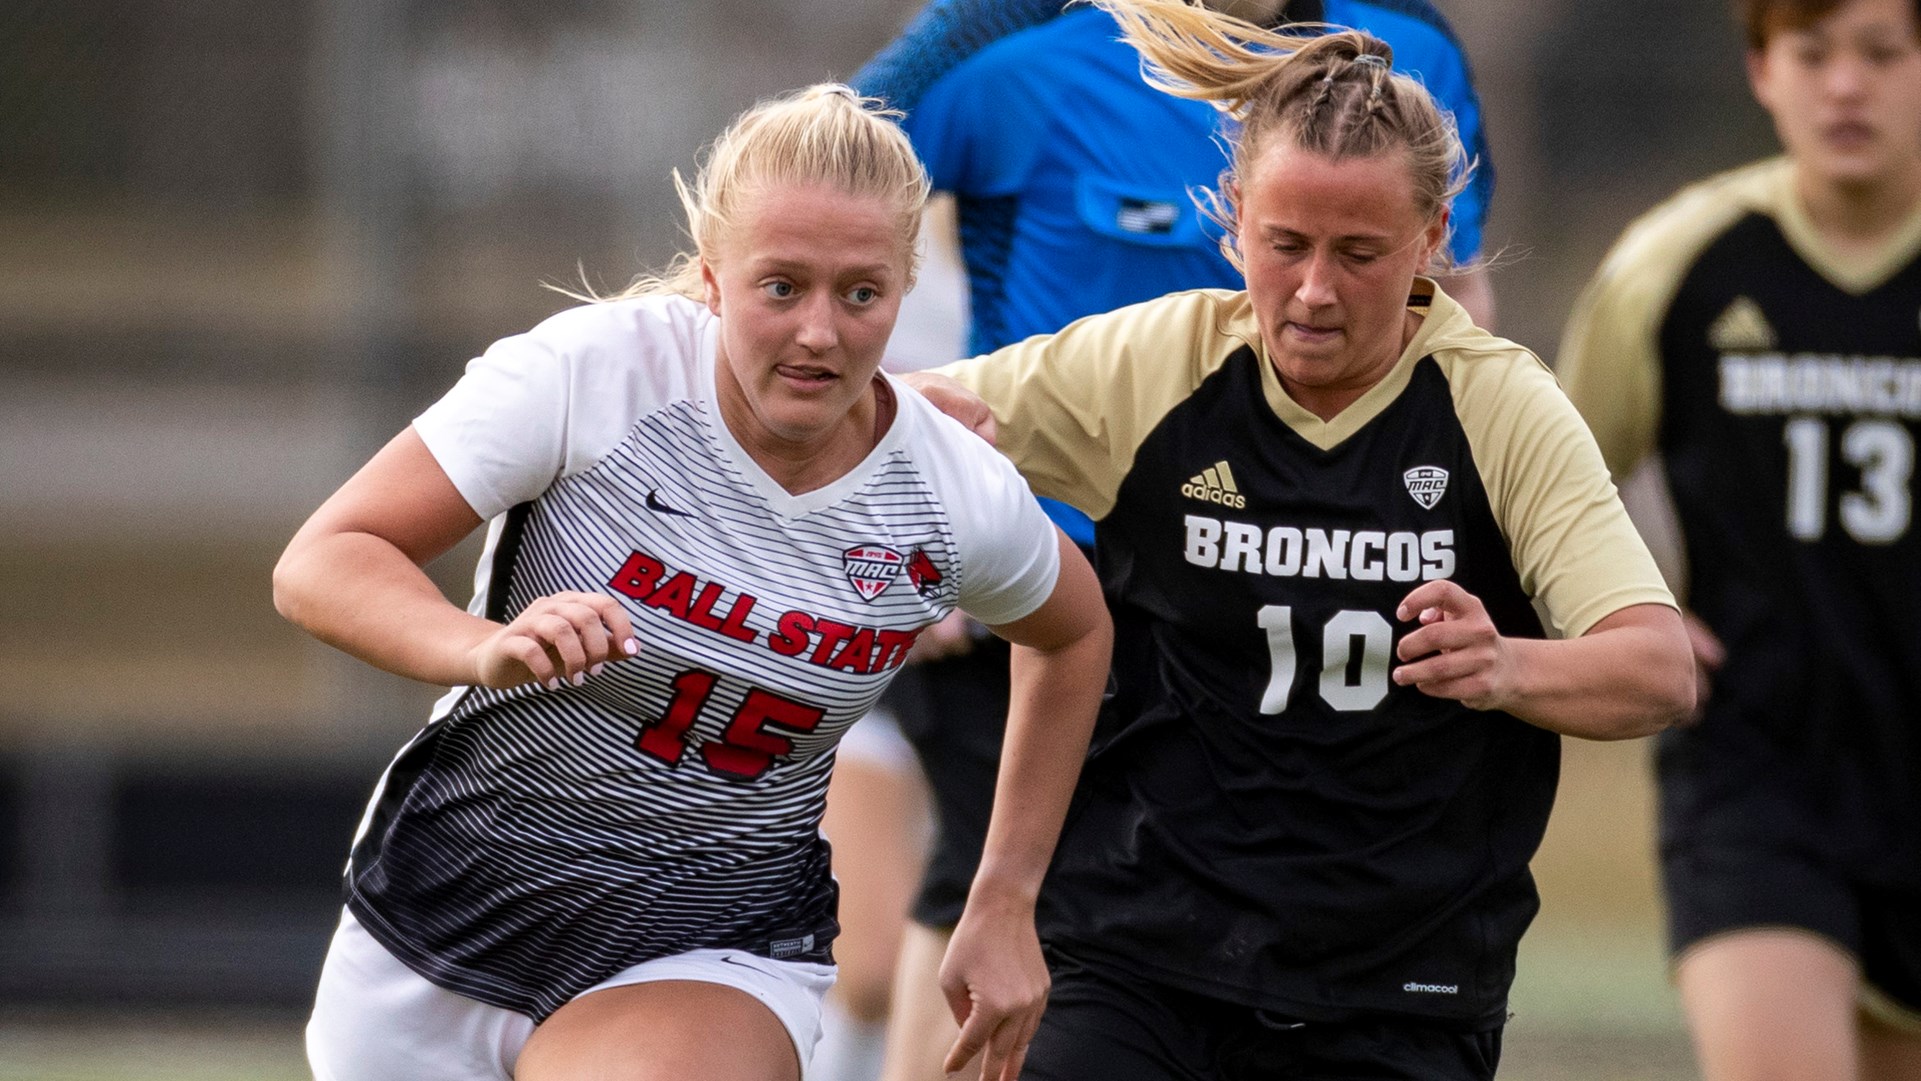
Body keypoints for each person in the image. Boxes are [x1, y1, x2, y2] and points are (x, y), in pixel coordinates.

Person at [901, 1, 1696, 1076]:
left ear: (1431, 239)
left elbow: (1656, 669)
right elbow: (885, 416)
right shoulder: (1154, 365)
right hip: (1138, 956)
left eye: (1360, 253)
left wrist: (1507, 663)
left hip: (1399, 986)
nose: (1314, 291)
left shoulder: (1499, 407)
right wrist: (919, 453)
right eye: (1284, 245)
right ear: (1231, 218)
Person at [271, 83, 1111, 1081]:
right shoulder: (594, 374)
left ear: (903, 289)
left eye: (860, 294)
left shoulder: (946, 487)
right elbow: (324, 558)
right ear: (712, 277)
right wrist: (478, 645)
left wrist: (1006, 895)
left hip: (706, 940)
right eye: (780, 286)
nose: (819, 334)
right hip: (445, 912)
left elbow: (1072, 631)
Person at [829, 1, 1500, 1077]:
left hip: (1285, 601)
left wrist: (1472, 536)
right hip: (1037, 584)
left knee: (1229, 960)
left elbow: (1458, 291)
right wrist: (890, 515)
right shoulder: (1003, 35)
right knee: (990, 898)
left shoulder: (1410, 45)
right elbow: (805, 216)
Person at [1556, 0, 1921, 1077]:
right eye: (1811, 55)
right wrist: (1622, 613)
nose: (1844, 86)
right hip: (1755, 769)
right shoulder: (1677, 265)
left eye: (1881, 54)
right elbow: (1552, 485)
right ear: (1762, 71)